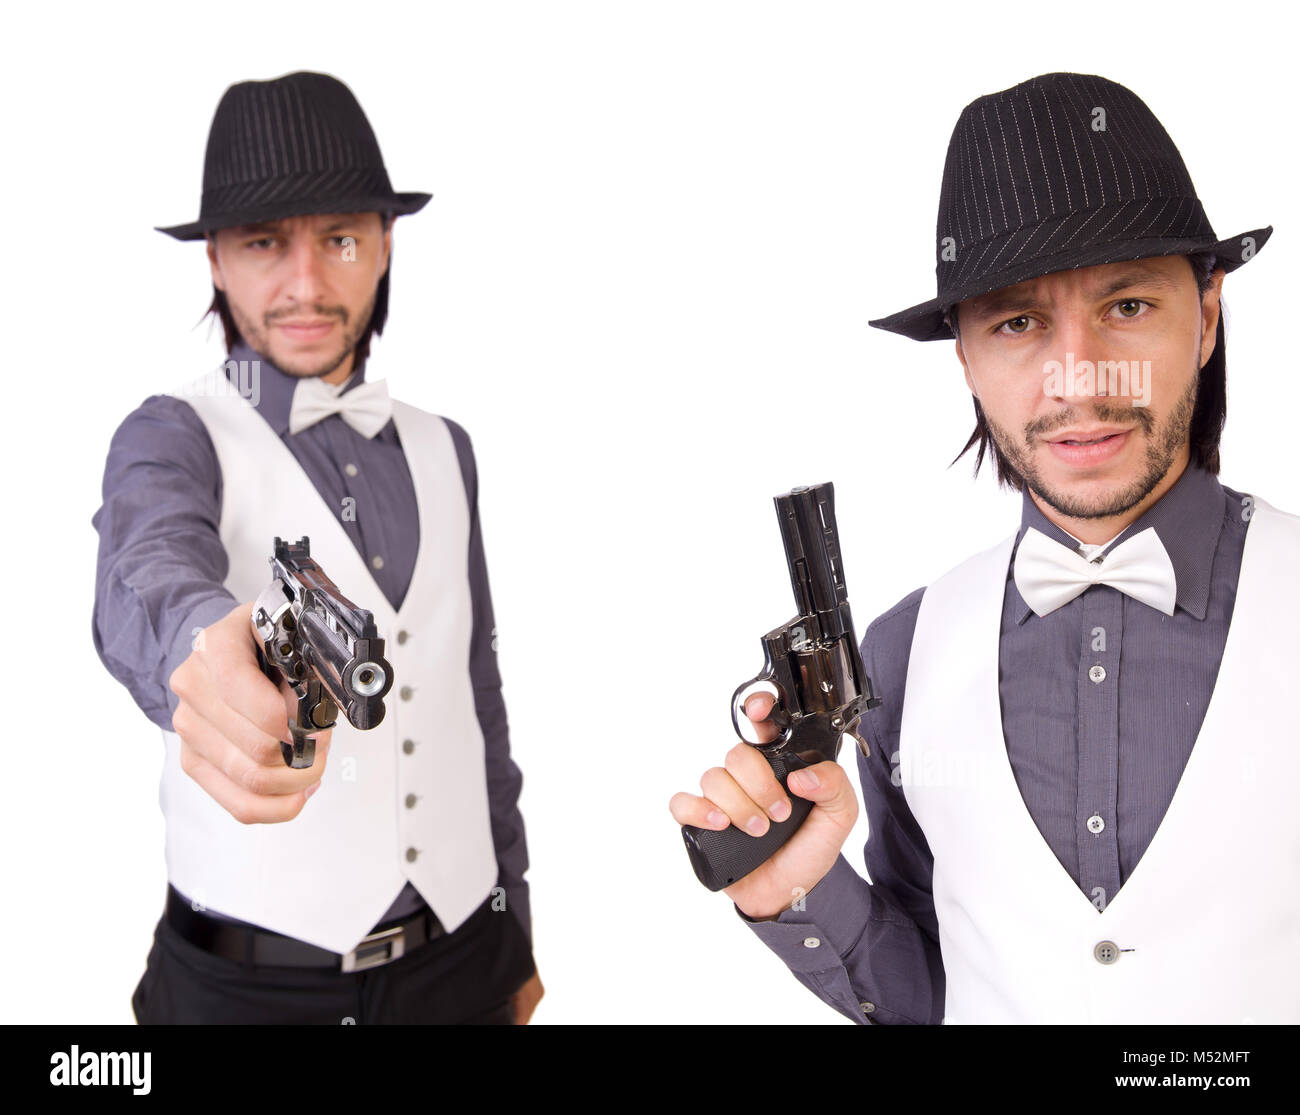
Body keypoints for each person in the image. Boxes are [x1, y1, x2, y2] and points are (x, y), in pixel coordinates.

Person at [670, 71, 1298, 1024]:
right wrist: (799, 888)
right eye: (1018, 323)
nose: (1077, 378)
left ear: (1208, 315)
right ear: (964, 355)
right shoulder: (903, 654)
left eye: (1127, 306)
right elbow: (942, 995)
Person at [93, 70, 542, 1024]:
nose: (306, 282)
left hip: (462, 962)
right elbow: (146, 567)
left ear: (383, 244)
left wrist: (515, 930)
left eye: (339, 238)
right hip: (248, 988)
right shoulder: (171, 434)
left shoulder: (445, 445)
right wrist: (203, 655)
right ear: (216, 259)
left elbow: (474, 697)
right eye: (265, 243)